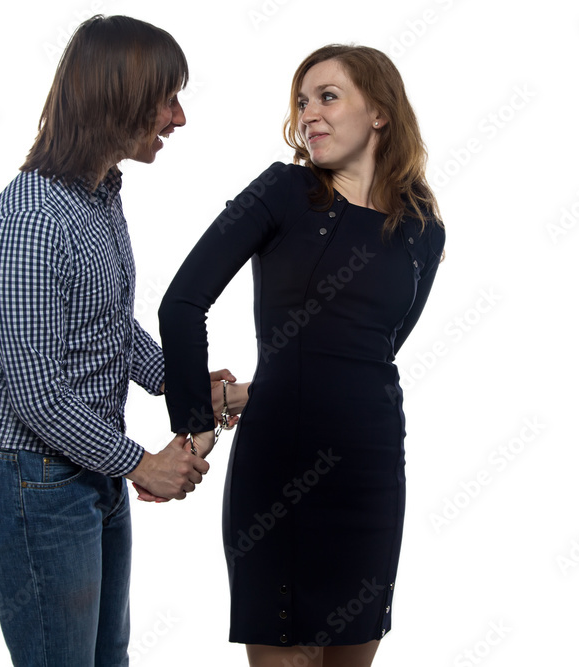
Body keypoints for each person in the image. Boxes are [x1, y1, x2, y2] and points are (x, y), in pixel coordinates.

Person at [156, 44, 446, 666]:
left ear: (380, 112)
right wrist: (196, 426)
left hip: (370, 475)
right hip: (279, 475)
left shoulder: (424, 228)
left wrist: (244, 394)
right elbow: (181, 304)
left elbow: (363, 358)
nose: (309, 114)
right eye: (302, 101)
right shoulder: (284, 191)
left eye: (328, 97)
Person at [0, 15, 231, 667]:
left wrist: (188, 383)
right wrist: (143, 461)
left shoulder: (98, 195)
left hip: (87, 469)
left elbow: (106, 327)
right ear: (120, 99)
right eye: (168, 98)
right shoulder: (30, 219)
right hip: (32, 478)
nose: (179, 117)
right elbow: (37, 396)